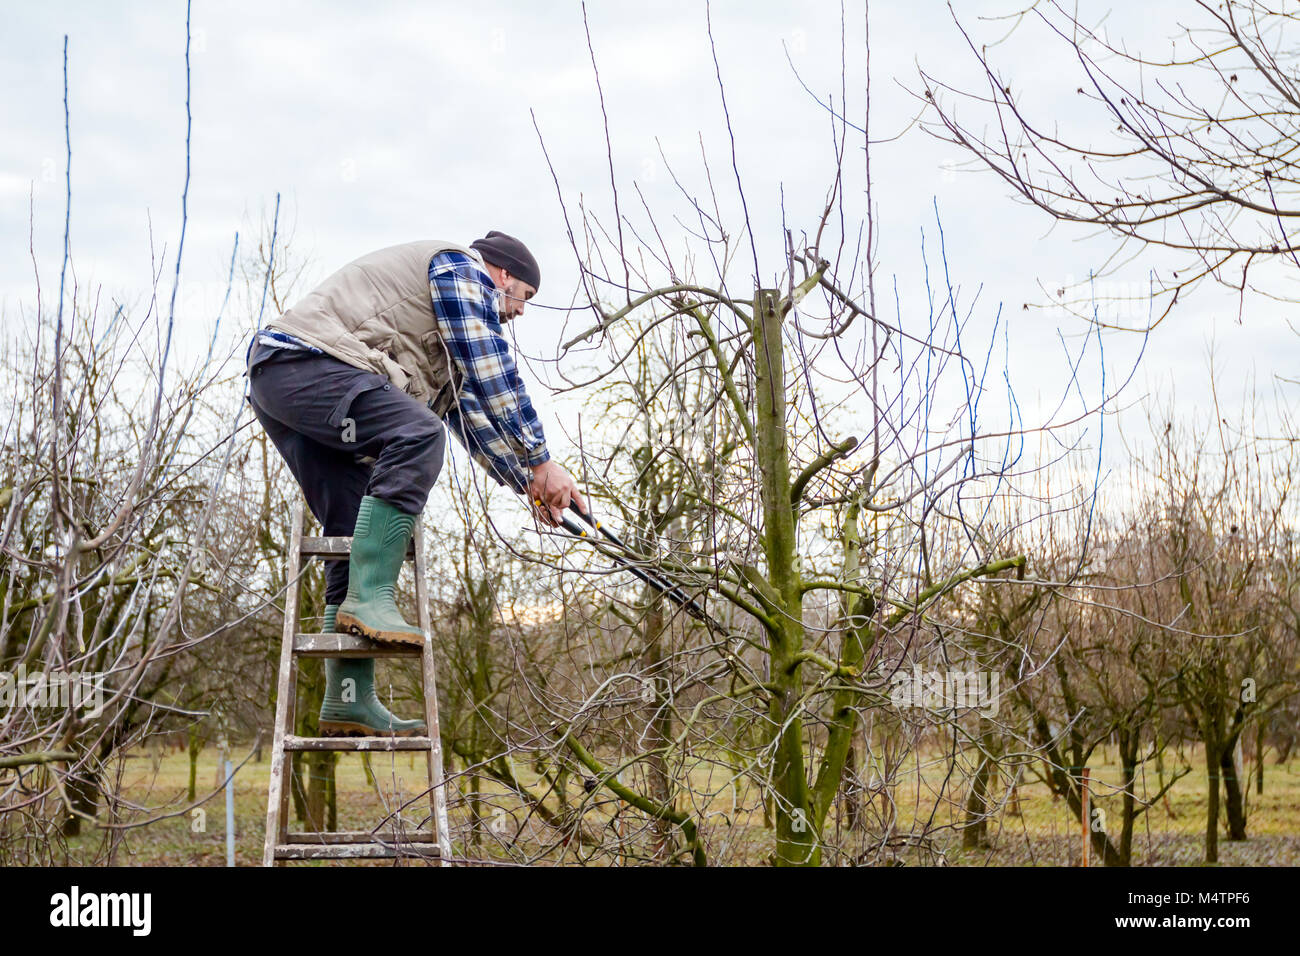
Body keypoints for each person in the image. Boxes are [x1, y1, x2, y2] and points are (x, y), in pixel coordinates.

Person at [245, 232, 585, 737]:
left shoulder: (449, 340)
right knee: (418, 435)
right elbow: (493, 372)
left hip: (285, 385)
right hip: (304, 363)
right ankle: (372, 597)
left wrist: (529, 484)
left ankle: (348, 698)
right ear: (504, 275)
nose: (518, 313)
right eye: (524, 299)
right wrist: (541, 458)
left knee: (351, 514)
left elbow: (472, 422)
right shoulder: (461, 271)